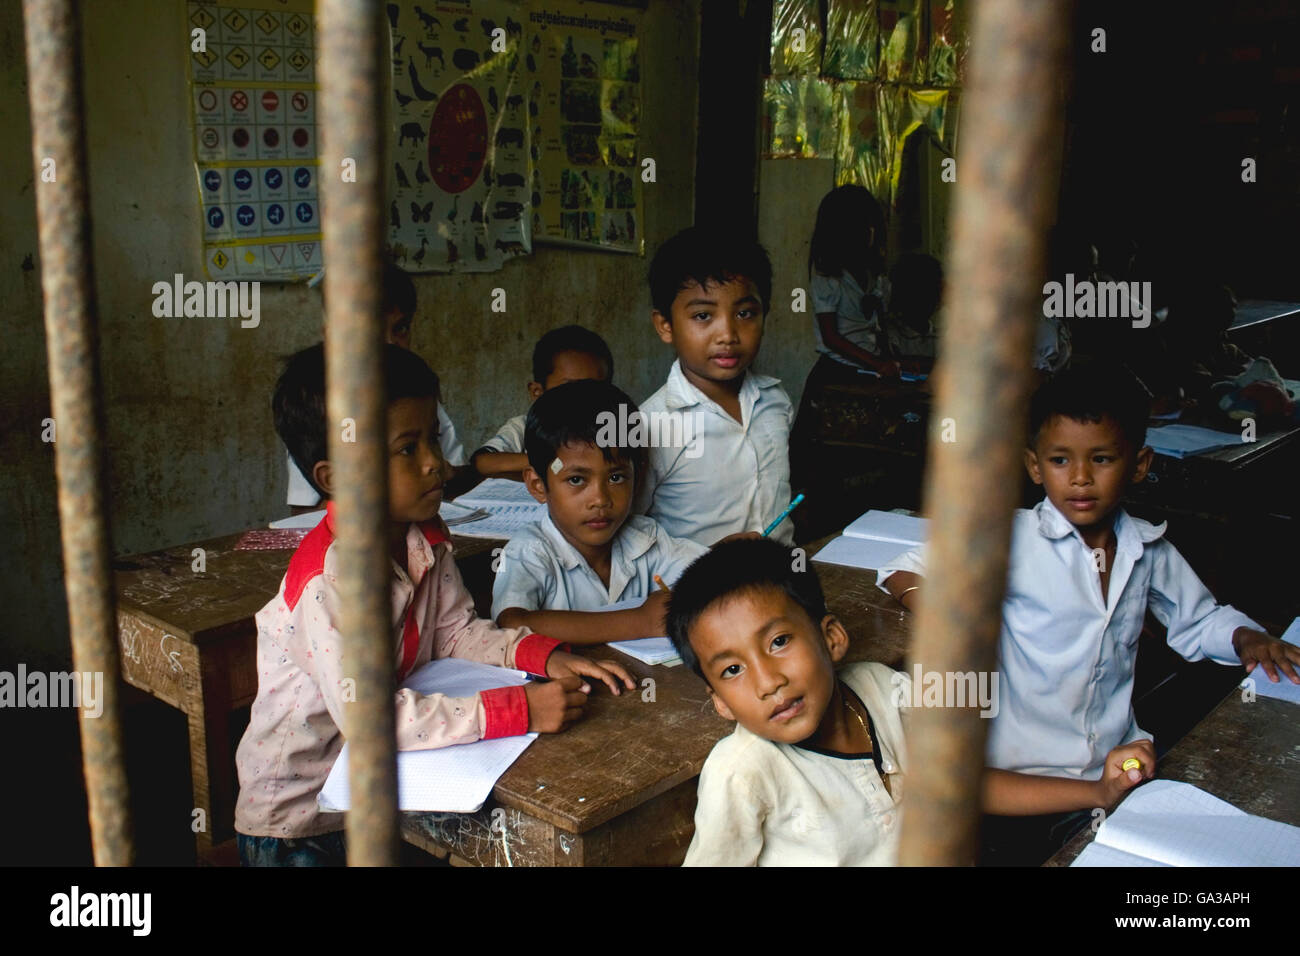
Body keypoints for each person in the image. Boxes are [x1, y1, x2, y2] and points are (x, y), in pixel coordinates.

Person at [878, 362, 1299, 864]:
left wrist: (1246, 639)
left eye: (1101, 458)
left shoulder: (1149, 549)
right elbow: (902, 567)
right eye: (1060, 460)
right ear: (1034, 466)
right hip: (1017, 779)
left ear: (1139, 463)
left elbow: (1200, 618)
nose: (1080, 478)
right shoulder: (1010, 539)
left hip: (1117, 765)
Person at [235, 344, 632, 865]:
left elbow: (456, 632)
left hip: (386, 797)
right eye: (407, 448)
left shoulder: (425, 537)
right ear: (337, 478)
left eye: (433, 439)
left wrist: (542, 656)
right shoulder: (331, 582)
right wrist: (519, 709)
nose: (436, 465)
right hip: (301, 818)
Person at [667, 538, 908, 865]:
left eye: (778, 642)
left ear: (831, 638)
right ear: (721, 702)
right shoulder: (740, 772)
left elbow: (959, 776)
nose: (768, 682)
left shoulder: (880, 685)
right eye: (732, 669)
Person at [491, 380, 707, 643]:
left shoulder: (645, 538)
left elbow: (704, 577)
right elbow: (511, 623)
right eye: (576, 480)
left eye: (616, 477)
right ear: (538, 486)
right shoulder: (530, 552)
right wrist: (640, 621)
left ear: (636, 477)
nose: (600, 499)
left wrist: (727, 558)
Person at [635, 226, 796, 546]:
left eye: (745, 313)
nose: (728, 334)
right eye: (704, 315)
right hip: (697, 588)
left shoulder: (775, 401)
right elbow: (631, 532)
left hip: (779, 580)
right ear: (665, 325)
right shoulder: (651, 426)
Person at [287, 263, 472, 511]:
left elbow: (458, 477)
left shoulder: (417, 397)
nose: (389, 343)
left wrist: (446, 474)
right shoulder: (321, 409)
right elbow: (301, 515)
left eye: (401, 328)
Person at [471, 325, 614, 481]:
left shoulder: (611, 429)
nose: (584, 399)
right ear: (537, 392)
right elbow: (482, 462)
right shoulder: (523, 428)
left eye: (595, 389)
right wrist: (556, 460)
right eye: (569, 389)